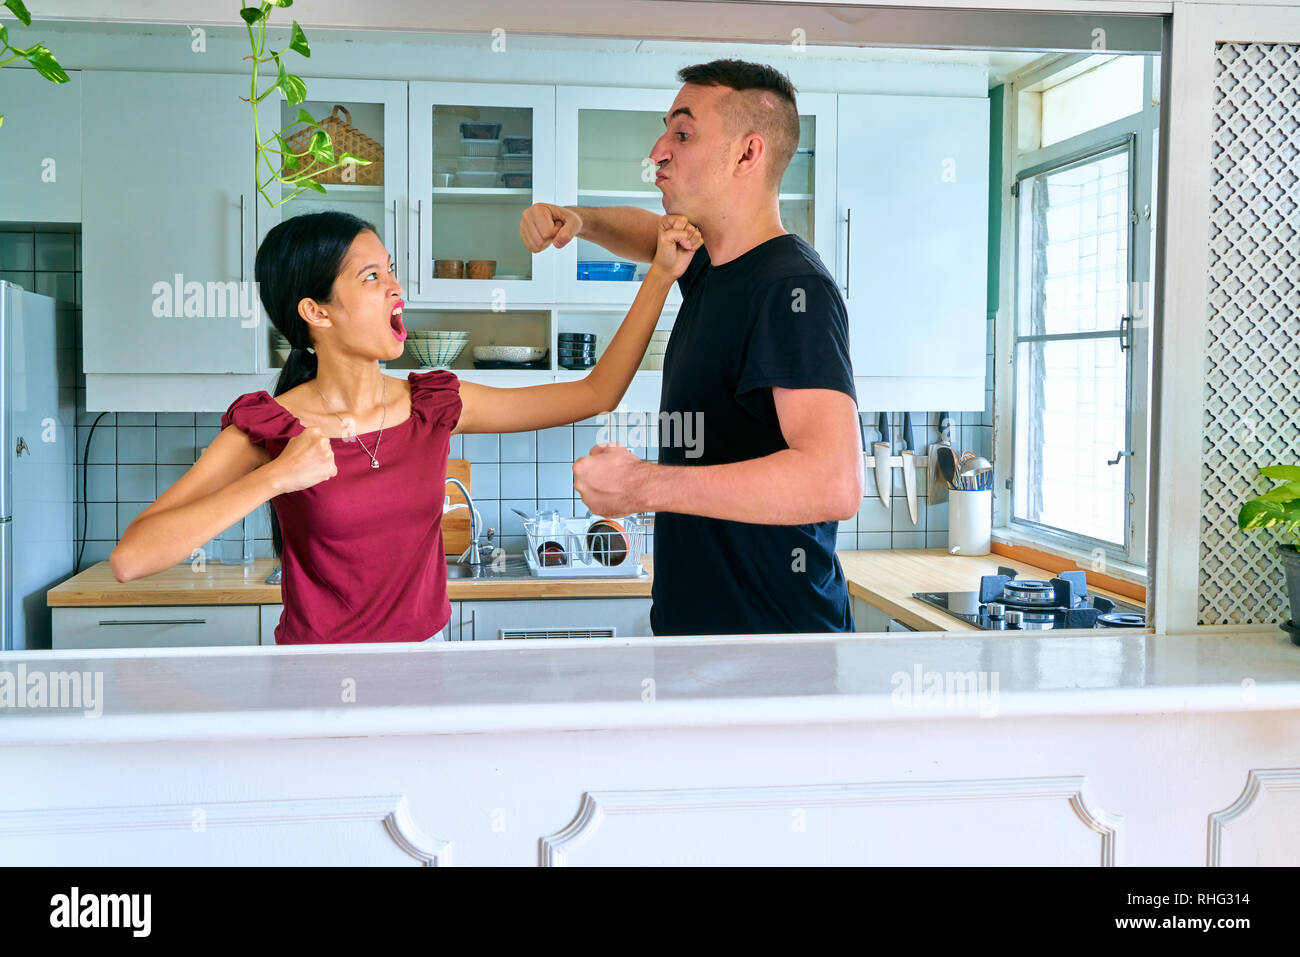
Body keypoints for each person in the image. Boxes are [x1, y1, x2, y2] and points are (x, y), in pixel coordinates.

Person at [109, 209, 702, 644]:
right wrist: (272, 479)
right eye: (371, 278)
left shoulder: (434, 404)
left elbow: (594, 393)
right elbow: (131, 559)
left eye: (390, 271)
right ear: (316, 312)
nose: (397, 287)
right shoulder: (273, 426)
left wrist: (661, 275)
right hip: (313, 681)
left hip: (423, 667)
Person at [519, 59, 863, 636]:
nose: (658, 150)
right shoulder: (713, 265)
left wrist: (642, 485)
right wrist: (578, 220)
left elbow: (833, 481)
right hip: (703, 640)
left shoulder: (790, 289)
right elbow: (651, 231)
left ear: (748, 155)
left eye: (682, 133)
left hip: (774, 651)